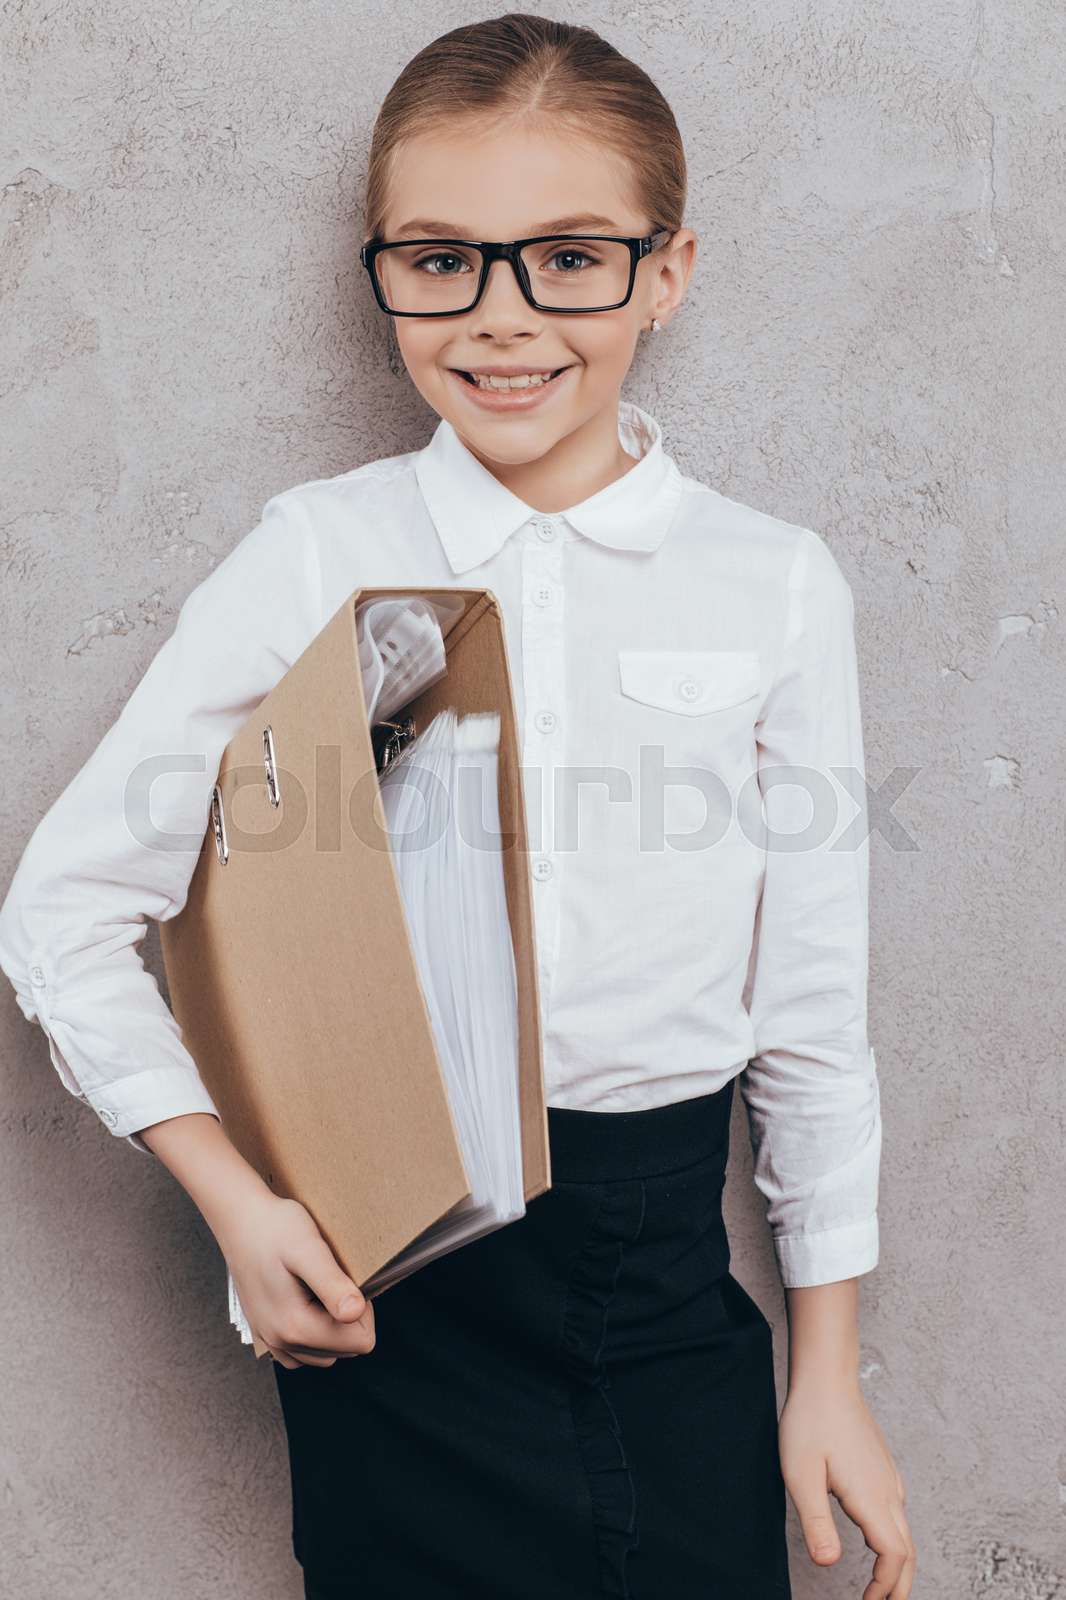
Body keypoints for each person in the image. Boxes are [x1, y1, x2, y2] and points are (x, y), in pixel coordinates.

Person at [0, 12, 916, 1600]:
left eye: (567, 259)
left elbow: (812, 1016)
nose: (501, 318)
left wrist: (823, 1369)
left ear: (666, 273)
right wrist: (235, 1205)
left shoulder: (771, 581)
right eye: (440, 260)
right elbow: (63, 908)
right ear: (383, 274)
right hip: (390, 1299)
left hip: (658, 1285)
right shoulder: (315, 551)